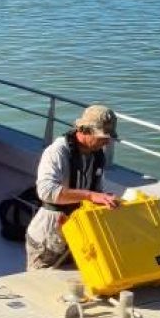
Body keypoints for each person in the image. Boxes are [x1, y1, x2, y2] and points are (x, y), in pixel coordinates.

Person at [25, 104, 120, 270]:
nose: (106, 141)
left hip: (79, 238)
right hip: (49, 240)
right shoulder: (57, 152)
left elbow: (95, 190)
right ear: (84, 130)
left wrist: (103, 198)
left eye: (108, 137)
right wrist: (90, 196)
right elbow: (46, 191)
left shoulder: (97, 154)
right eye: (102, 136)